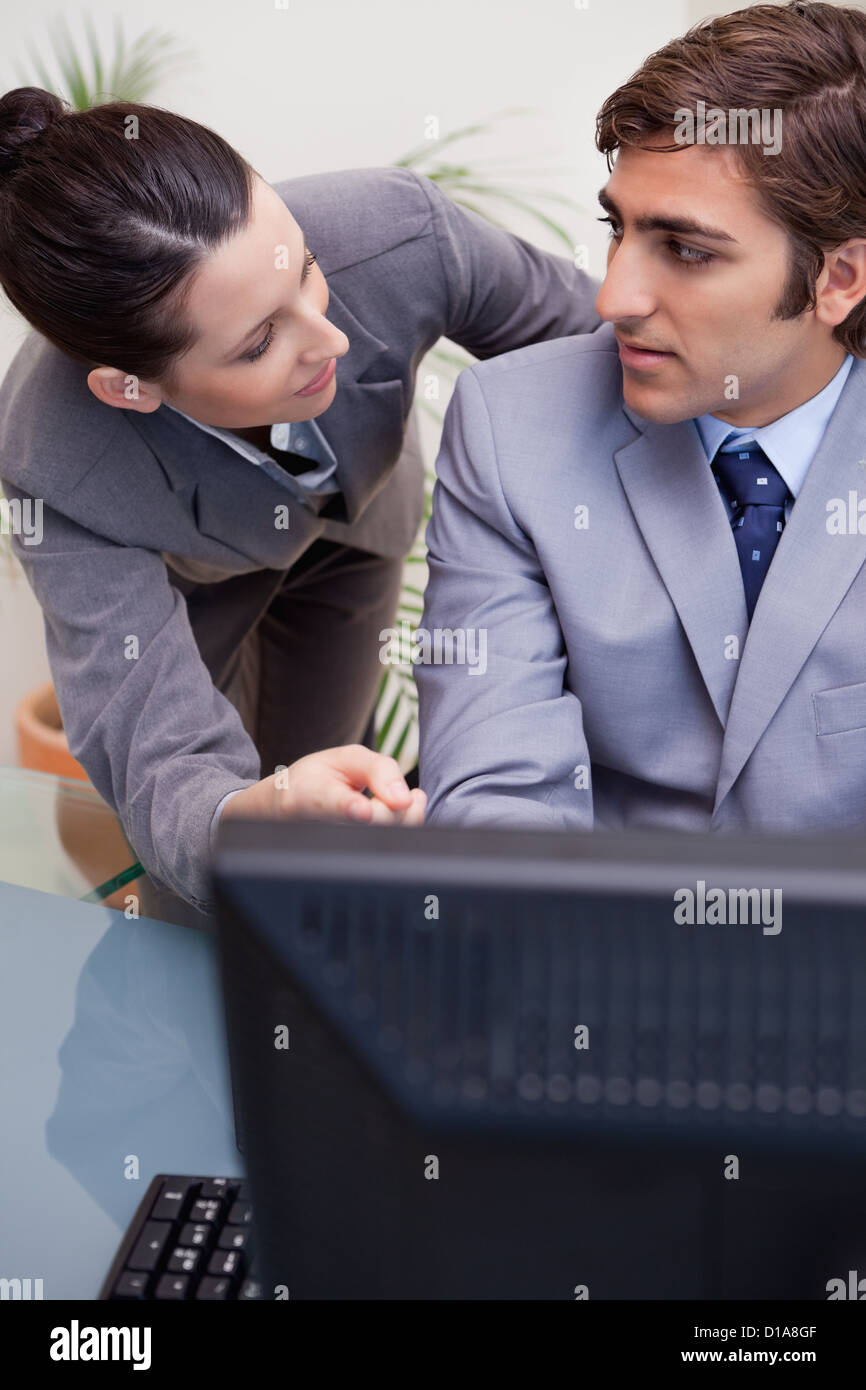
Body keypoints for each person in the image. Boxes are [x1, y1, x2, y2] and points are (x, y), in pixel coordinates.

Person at [0, 88, 603, 913]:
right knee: (215, 859)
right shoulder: (56, 464)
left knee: (325, 775)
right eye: (259, 343)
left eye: (306, 269)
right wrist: (253, 813)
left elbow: (608, 349)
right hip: (193, 581)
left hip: (359, 522)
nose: (332, 339)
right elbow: (163, 769)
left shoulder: (398, 232)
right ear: (130, 387)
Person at [417, 1, 866, 838]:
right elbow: (499, 807)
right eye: (616, 229)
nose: (613, 298)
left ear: (839, 278)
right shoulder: (510, 429)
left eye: (687, 249)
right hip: (586, 920)